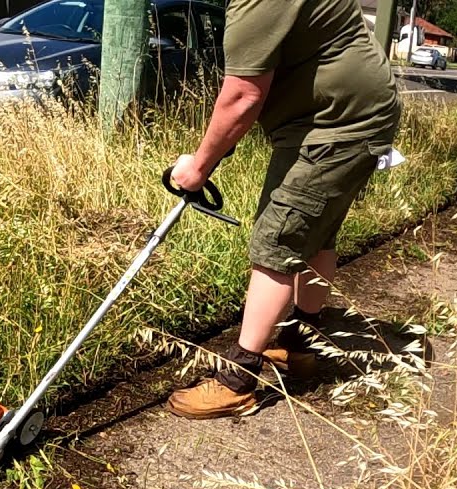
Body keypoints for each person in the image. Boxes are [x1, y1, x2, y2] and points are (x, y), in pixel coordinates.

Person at [165, 0, 403, 420]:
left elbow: (242, 95)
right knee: (315, 233)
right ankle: (301, 346)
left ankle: (239, 379)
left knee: (278, 236)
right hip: (323, 118)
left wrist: (197, 168)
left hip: (341, 123)